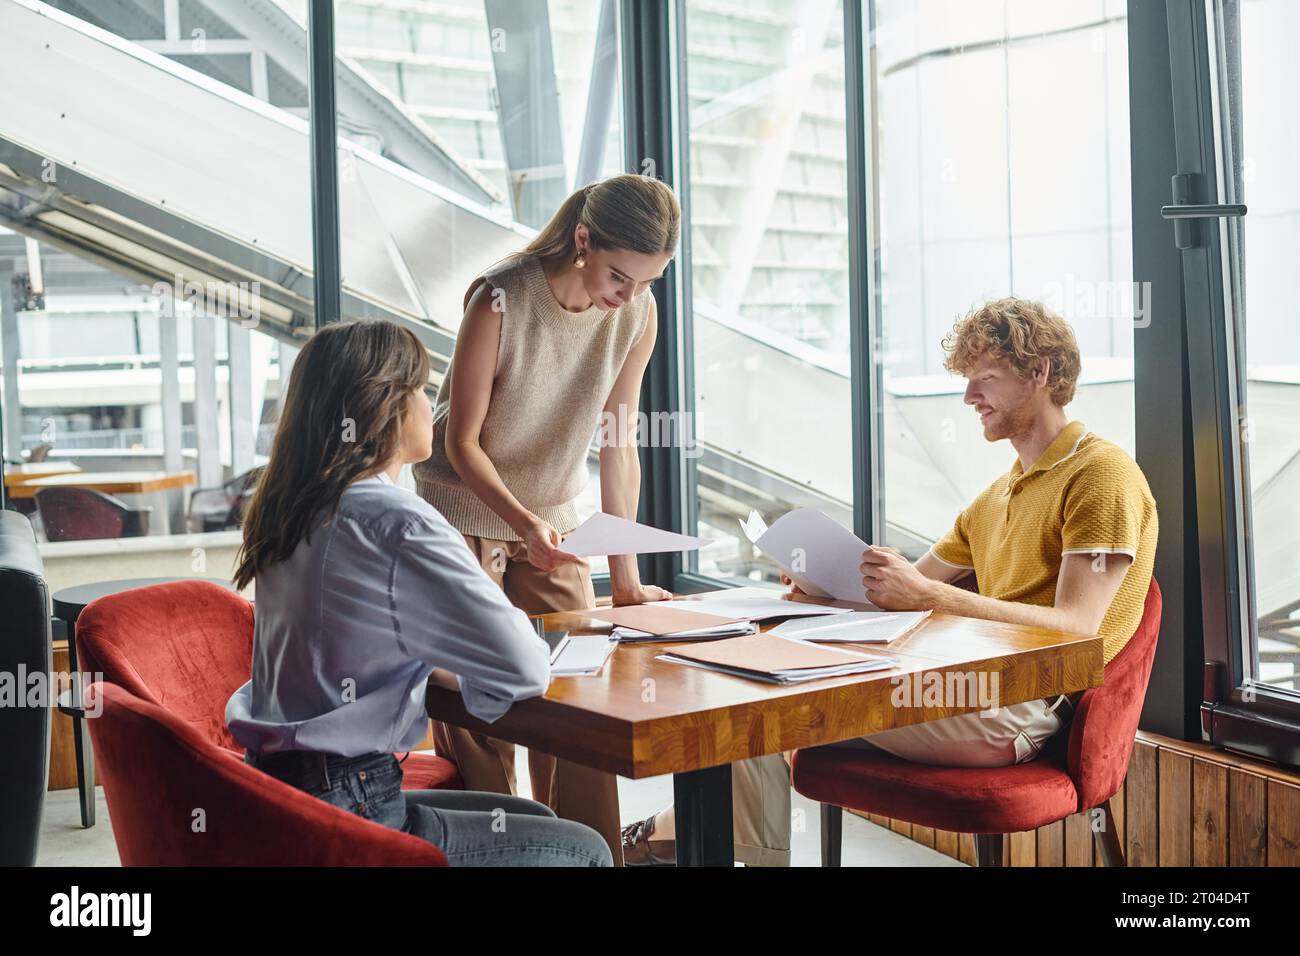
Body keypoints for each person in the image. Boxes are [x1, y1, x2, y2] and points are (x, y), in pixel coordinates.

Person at [622, 297, 1158, 866]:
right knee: (745, 712)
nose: (969, 397)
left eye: (986, 380)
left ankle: (658, 842)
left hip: (1020, 707)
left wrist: (929, 597)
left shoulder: (1100, 475)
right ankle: (684, 845)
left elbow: (1078, 628)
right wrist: (821, 587)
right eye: (968, 380)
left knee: (757, 711)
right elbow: (897, 590)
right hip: (970, 689)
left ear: (1040, 373)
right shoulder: (998, 496)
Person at [225, 319, 611, 867]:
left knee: (539, 824)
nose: (433, 405)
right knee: (586, 851)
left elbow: (354, 638)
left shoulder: (296, 506)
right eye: (423, 390)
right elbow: (525, 667)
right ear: (386, 406)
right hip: (350, 801)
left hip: (282, 789)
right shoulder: (396, 522)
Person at [413, 173, 679, 862]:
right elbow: (458, 442)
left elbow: (620, 445)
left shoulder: (636, 314)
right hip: (462, 512)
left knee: (584, 701)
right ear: (584, 240)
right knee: (481, 704)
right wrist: (521, 522)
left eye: (648, 282)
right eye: (621, 276)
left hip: (555, 520)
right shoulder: (500, 297)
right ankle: (498, 855)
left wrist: (624, 579)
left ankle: (591, 856)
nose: (629, 295)